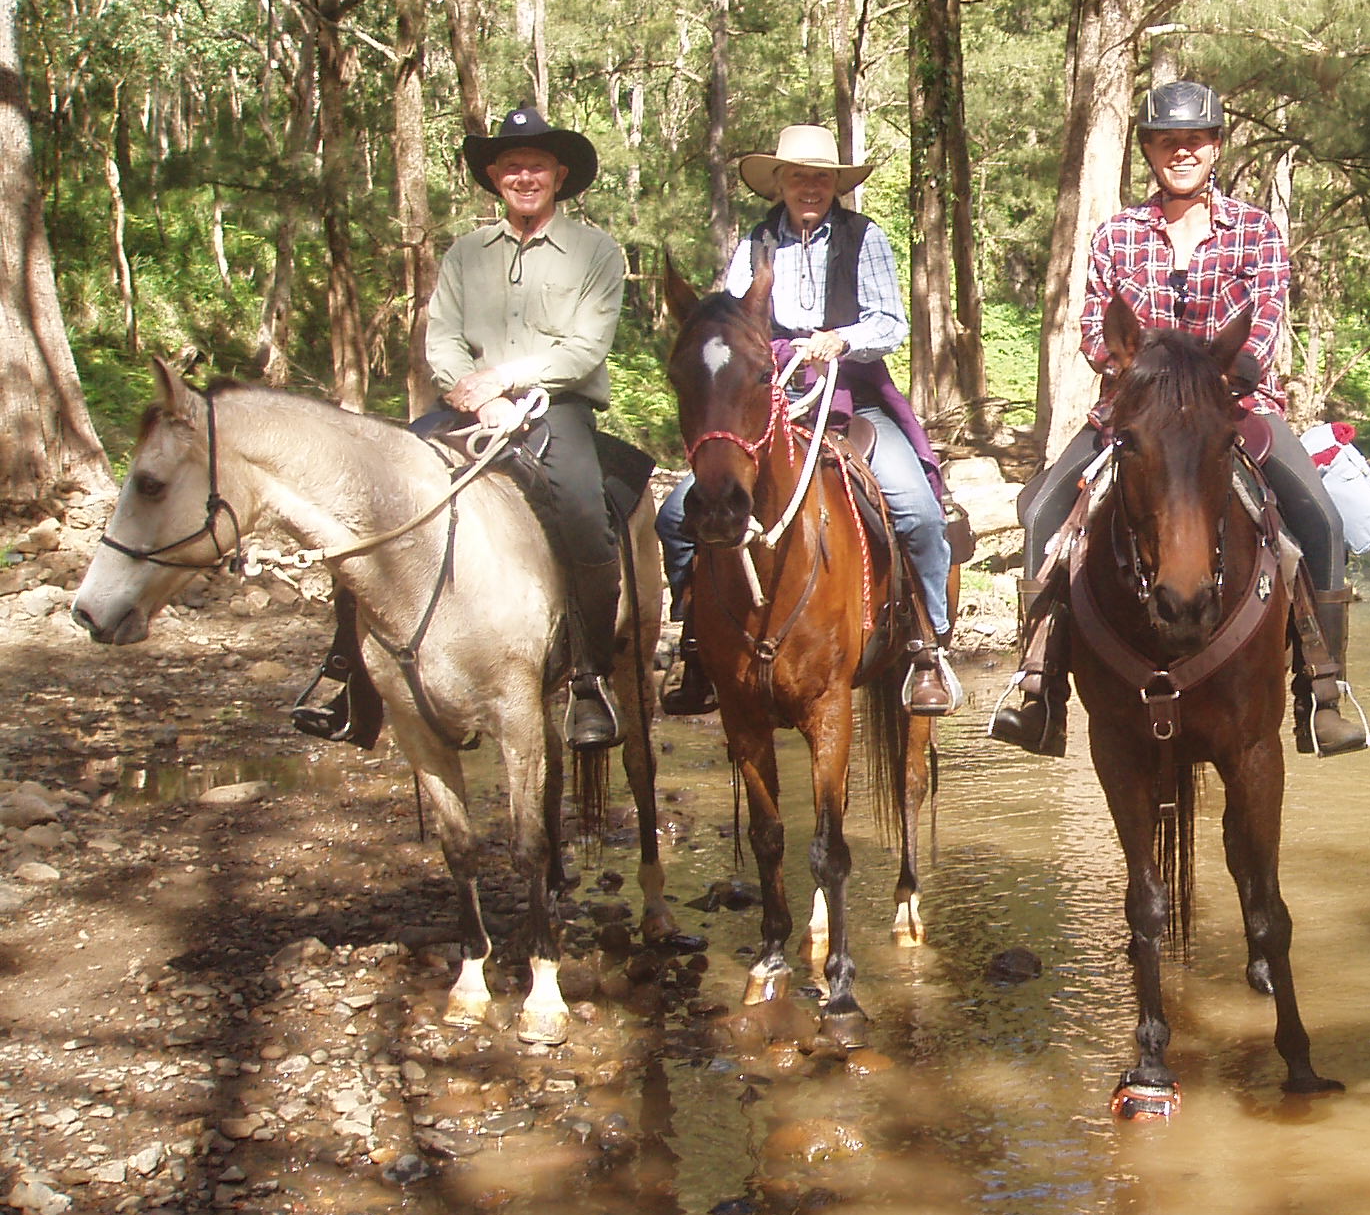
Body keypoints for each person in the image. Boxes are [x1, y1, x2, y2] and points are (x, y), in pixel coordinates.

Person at [989, 79, 1370, 758]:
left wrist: (1228, 371)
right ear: (1150, 150)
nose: (1182, 152)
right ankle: (1039, 686)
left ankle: (1322, 686)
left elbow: (1265, 321)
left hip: (1235, 408)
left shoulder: (1256, 231)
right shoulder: (1117, 235)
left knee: (1321, 520)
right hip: (1136, 412)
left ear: (1216, 146)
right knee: (1042, 511)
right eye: (1168, 142)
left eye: (1195, 140)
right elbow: (1094, 326)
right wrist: (1135, 372)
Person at [295, 105, 630, 752]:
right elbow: (443, 338)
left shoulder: (596, 252)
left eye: (537, 165)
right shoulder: (466, 254)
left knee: (586, 512)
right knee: (369, 501)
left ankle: (590, 677)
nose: (525, 176)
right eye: (512, 166)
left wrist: (506, 380)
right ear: (496, 177)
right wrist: (477, 395)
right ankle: (351, 677)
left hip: (556, 404)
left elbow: (587, 347)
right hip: (469, 403)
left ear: (559, 175)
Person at [658, 124, 960, 716]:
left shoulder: (863, 237)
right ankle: (697, 643)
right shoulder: (756, 243)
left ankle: (929, 646)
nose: (811, 188)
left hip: (852, 396)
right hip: (767, 398)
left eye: (821, 178)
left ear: (835, 185)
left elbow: (890, 322)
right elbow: (735, 321)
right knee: (674, 515)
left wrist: (840, 340)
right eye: (799, 177)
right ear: (780, 183)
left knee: (919, 512)